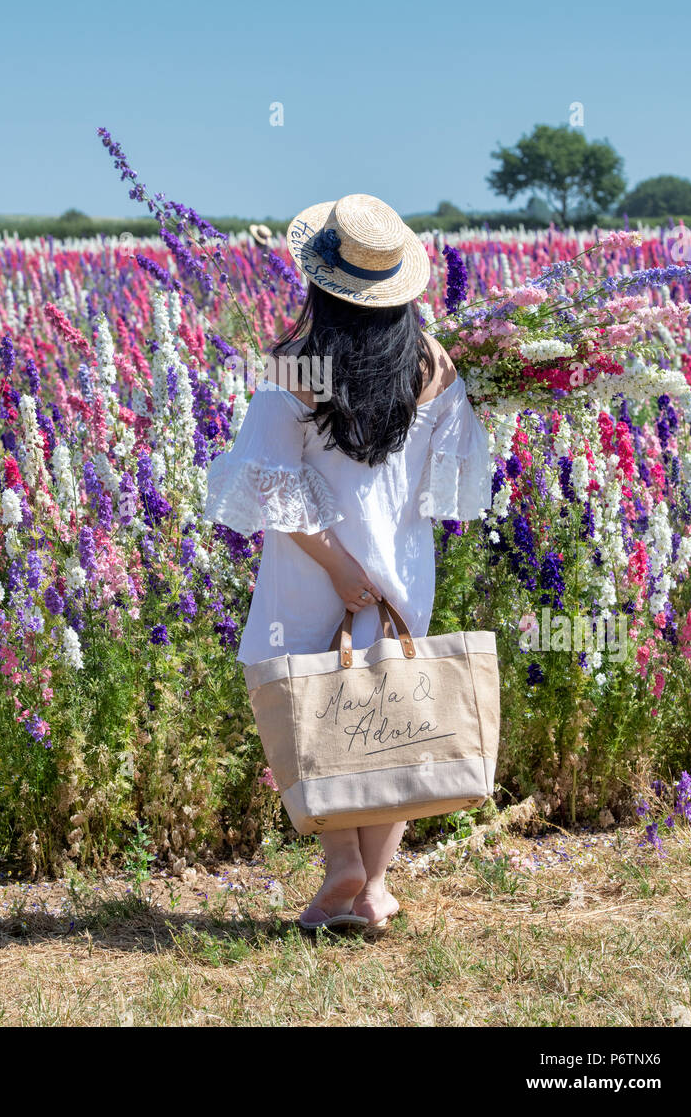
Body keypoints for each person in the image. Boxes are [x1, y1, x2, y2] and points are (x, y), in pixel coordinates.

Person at [205, 193, 492, 931]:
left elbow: (270, 479)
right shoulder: (432, 363)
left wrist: (336, 563)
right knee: (393, 711)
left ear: (322, 285)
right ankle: (374, 888)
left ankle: (344, 870)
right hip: (399, 562)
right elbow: (453, 476)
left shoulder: (298, 365)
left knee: (312, 703)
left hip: (313, 567)